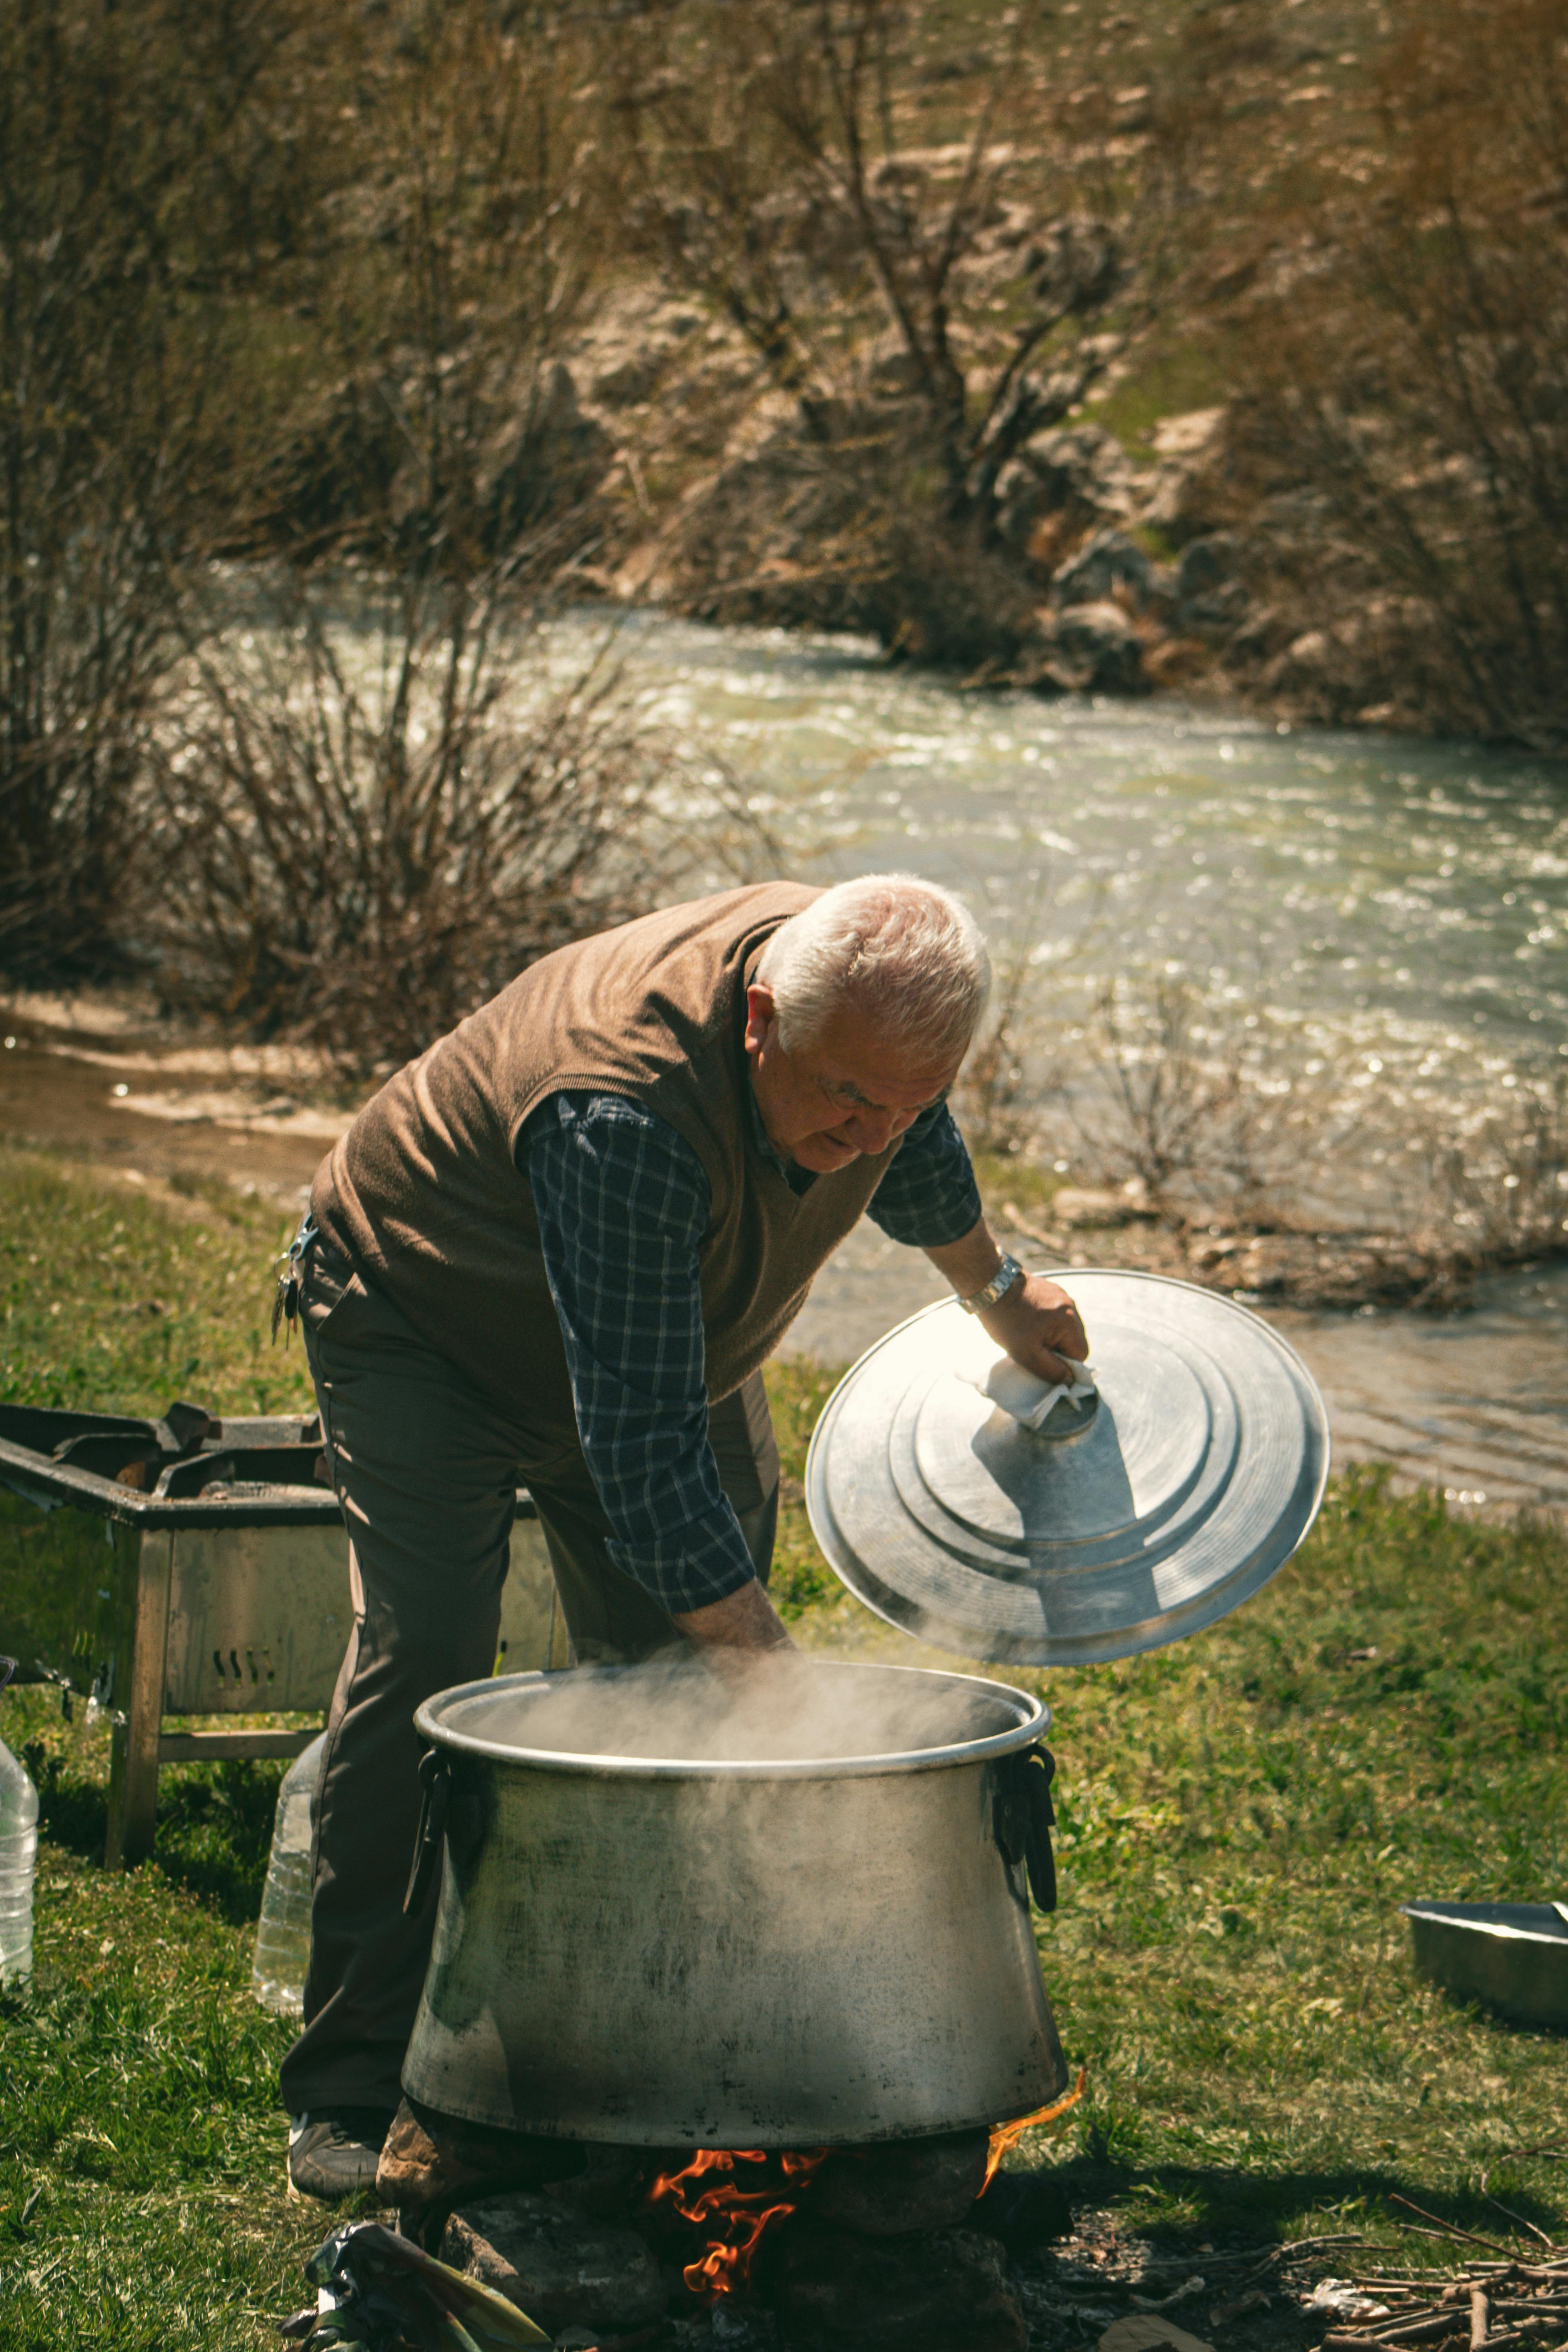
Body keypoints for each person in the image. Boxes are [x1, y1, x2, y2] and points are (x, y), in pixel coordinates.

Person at [280, 874, 1087, 2199]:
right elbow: (643, 1457)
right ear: (760, 1020)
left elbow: (912, 1140)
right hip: (425, 1312)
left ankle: (671, 2045)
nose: (870, 1128)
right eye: (846, 1100)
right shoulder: (622, 1109)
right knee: (426, 1655)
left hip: (658, 1337)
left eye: (902, 1099)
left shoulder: (864, 1024)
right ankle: (355, 2081)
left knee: (683, 1685)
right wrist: (777, 1678)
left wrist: (997, 1290)